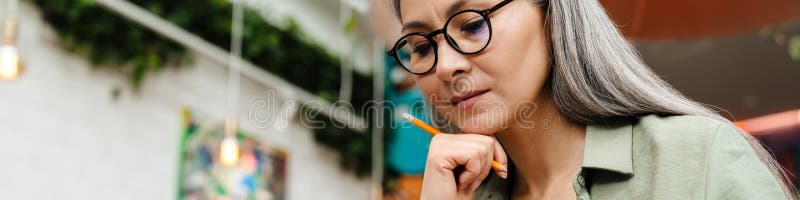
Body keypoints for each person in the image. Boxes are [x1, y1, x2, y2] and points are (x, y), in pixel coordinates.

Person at [384, 0, 797, 199]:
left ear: (551, 16)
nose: (444, 66)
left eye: (472, 24)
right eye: (420, 46)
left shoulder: (700, 159)